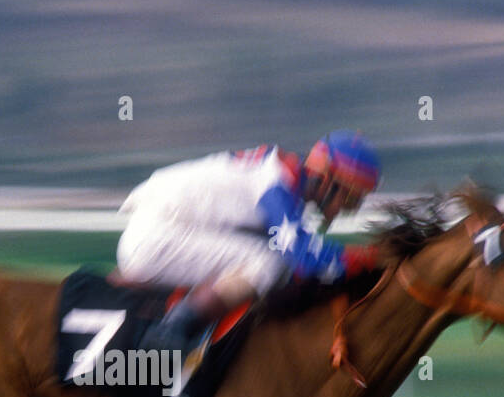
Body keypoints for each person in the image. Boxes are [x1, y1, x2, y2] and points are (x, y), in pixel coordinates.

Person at [116, 130, 383, 351]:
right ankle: (174, 330)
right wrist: (368, 256)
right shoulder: (276, 181)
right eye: (348, 199)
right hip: (154, 237)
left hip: (162, 230)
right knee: (269, 263)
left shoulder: (282, 178)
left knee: (268, 257)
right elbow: (304, 259)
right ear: (327, 181)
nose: (343, 211)